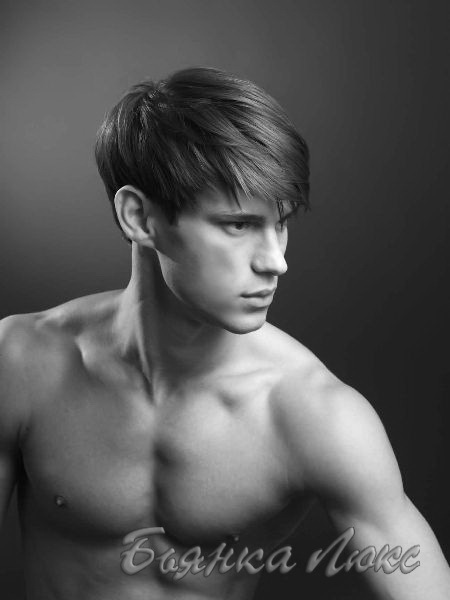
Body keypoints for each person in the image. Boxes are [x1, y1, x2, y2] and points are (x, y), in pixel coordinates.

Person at [0, 67, 448, 600]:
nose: (276, 261)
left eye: (281, 222)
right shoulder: (22, 364)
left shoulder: (315, 415)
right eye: (239, 225)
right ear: (139, 217)